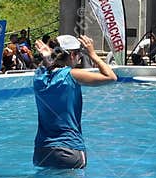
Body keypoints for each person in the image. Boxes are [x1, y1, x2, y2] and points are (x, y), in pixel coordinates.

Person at [32, 34, 117, 169]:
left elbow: (48, 67)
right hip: (69, 150)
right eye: (79, 53)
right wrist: (93, 54)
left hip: (41, 151)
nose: (80, 57)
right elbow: (111, 77)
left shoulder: (38, 77)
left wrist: (48, 57)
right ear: (72, 55)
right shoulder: (72, 75)